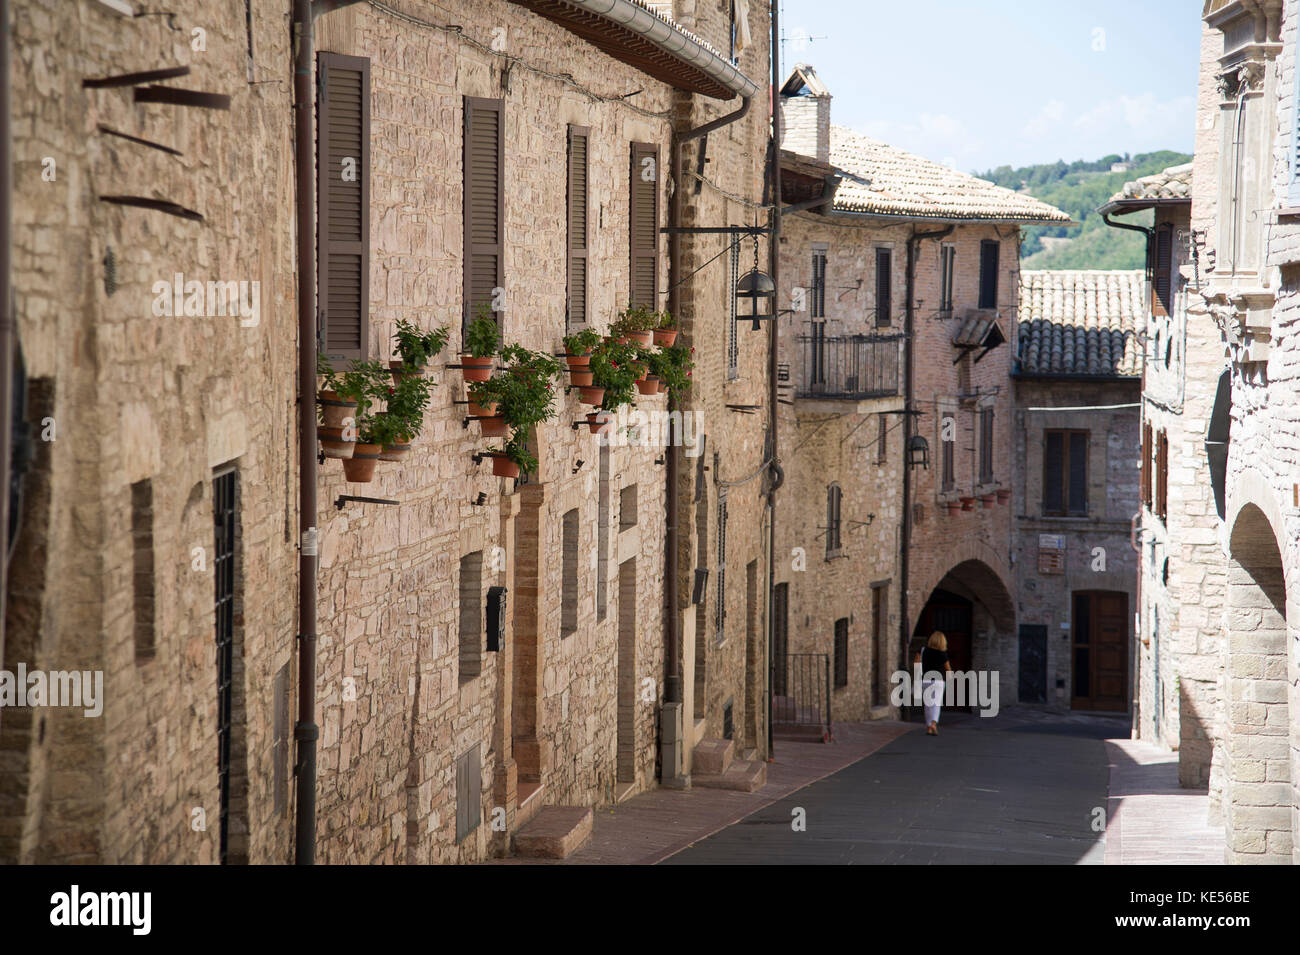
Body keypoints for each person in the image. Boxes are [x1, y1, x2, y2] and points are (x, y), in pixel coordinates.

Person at [913, 630, 951, 736]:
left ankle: (929, 727)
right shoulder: (942, 654)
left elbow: (916, 664)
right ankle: (933, 723)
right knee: (936, 703)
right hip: (938, 682)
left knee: (928, 705)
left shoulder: (922, 650)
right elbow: (948, 669)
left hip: (925, 680)